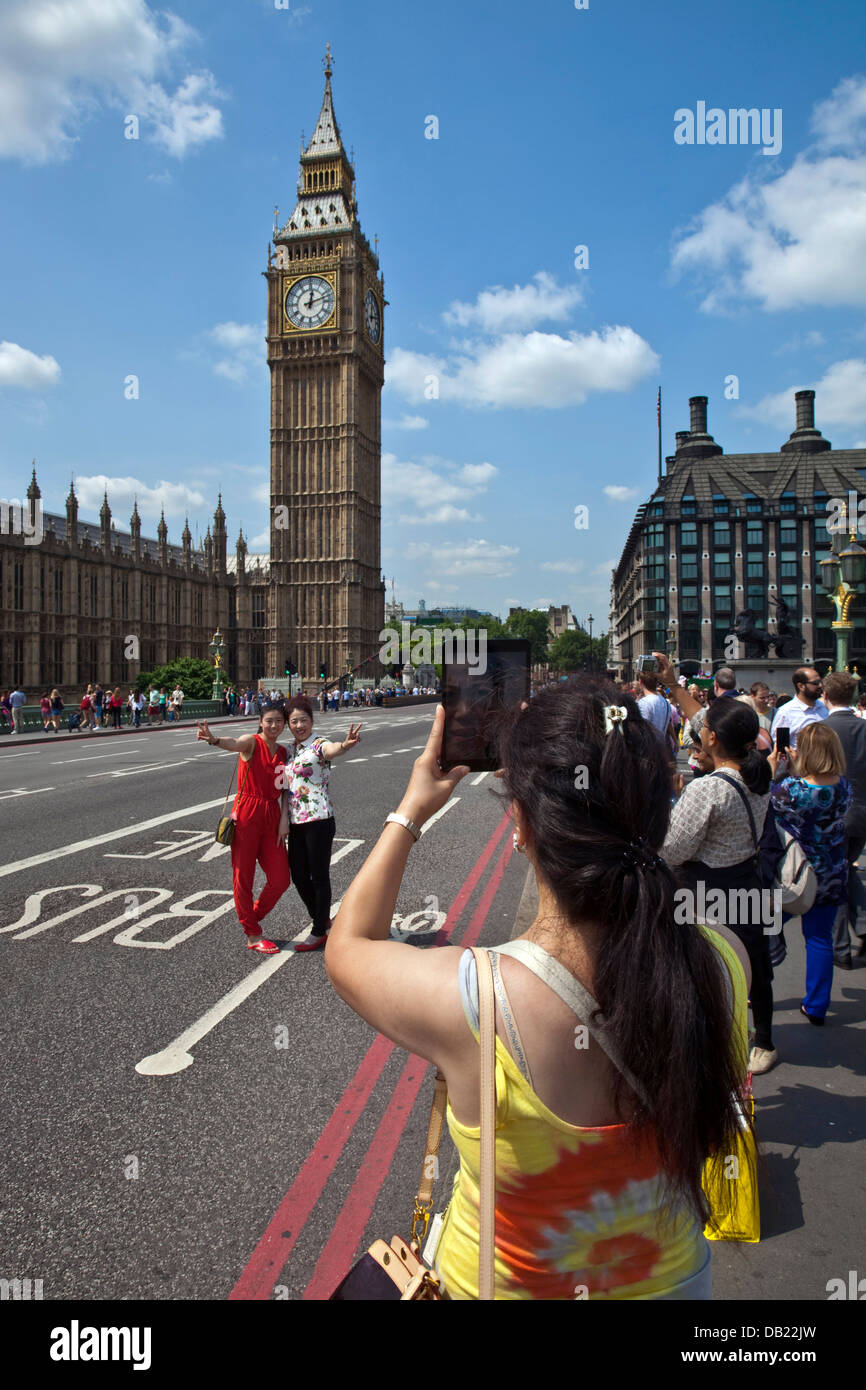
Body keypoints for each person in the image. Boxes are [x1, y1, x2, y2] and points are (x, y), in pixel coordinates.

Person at [325, 690, 751, 1300]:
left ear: (522, 824)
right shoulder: (724, 961)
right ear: (662, 808)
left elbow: (348, 948)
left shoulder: (480, 1001)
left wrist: (411, 812)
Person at [656, 657, 776, 1075]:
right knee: (756, 966)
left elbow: (671, 849)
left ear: (710, 738)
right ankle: (763, 1040)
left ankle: (710, 1046)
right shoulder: (759, 773)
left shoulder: (707, 789)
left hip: (709, 892)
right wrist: (673, 685)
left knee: (704, 969)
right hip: (750, 879)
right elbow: (708, 718)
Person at [769, 723, 852, 1025]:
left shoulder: (793, 790)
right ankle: (816, 1005)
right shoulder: (841, 786)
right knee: (819, 938)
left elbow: (766, 805)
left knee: (764, 925)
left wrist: (776, 770)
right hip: (831, 869)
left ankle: (755, 985)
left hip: (796, 874)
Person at [196, 701, 292, 954]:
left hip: (272, 814)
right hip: (248, 812)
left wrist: (284, 819)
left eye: (279, 721)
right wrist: (215, 740)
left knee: (281, 879)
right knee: (243, 876)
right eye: (269, 720)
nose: (274, 725)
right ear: (261, 721)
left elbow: (284, 789)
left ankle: (250, 916)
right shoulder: (252, 742)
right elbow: (234, 744)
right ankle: (252, 934)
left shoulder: (282, 752)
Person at [283, 695, 362, 951]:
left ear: (311, 720)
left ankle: (318, 930)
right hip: (296, 821)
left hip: (319, 819)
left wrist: (346, 745)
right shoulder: (292, 750)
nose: (298, 725)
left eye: (303, 720)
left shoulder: (318, 744)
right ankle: (321, 917)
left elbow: (332, 750)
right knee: (297, 875)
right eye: (294, 721)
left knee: (319, 876)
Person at [823, 672, 866, 967]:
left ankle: (839, 948)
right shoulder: (863, 727)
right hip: (862, 812)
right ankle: (863, 924)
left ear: (826, 696)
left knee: (834, 878)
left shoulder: (821, 730)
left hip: (833, 814)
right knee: (847, 870)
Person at [769, 667, 828, 749]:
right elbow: (781, 749)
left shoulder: (824, 708)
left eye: (821, 681)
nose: (820, 685)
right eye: (816, 683)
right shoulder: (785, 713)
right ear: (801, 686)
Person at [635, 671, 671, 743]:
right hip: (662, 747)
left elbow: (642, 729)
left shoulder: (644, 702)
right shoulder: (666, 702)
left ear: (640, 682)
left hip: (649, 748)